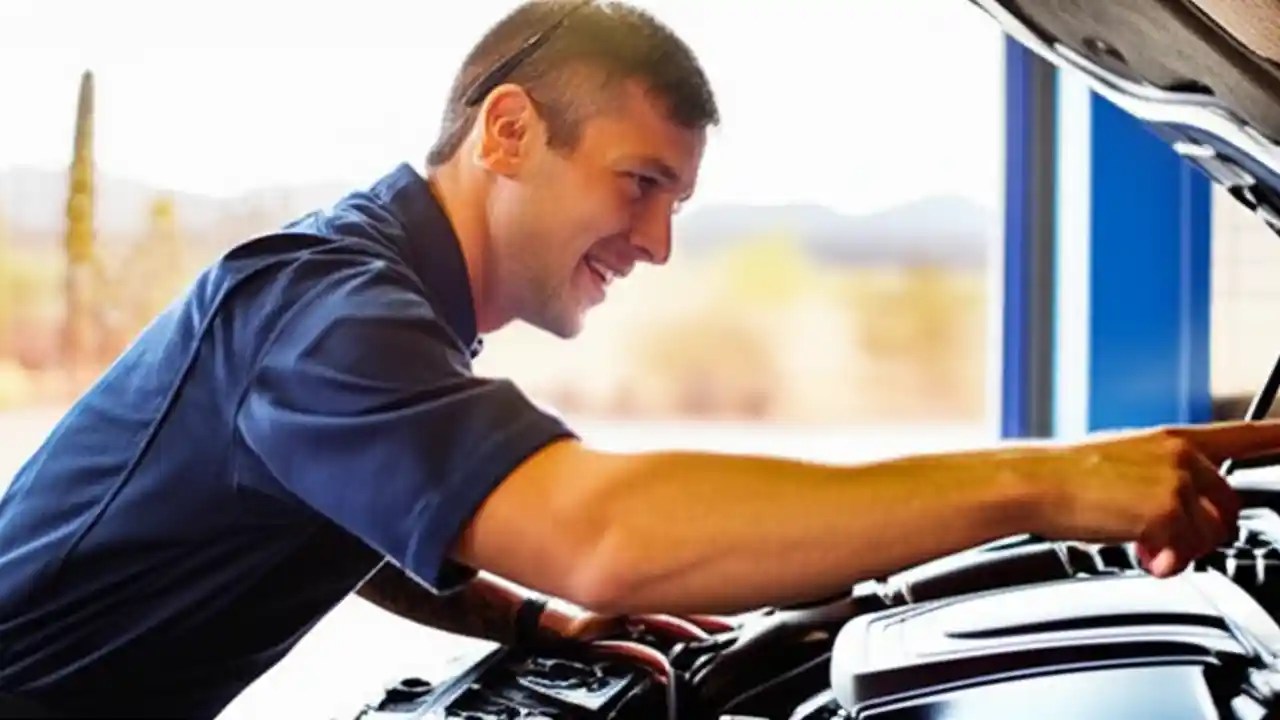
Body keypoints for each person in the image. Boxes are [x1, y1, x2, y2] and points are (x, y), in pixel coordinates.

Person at [0, 0, 1273, 717]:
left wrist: (527, 615)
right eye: (639, 182)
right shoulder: (324, 315)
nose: (657, 242)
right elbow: (601, 525)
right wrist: (1044, 483)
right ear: (507, 131)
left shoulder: (376, 302)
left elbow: (364, 516)